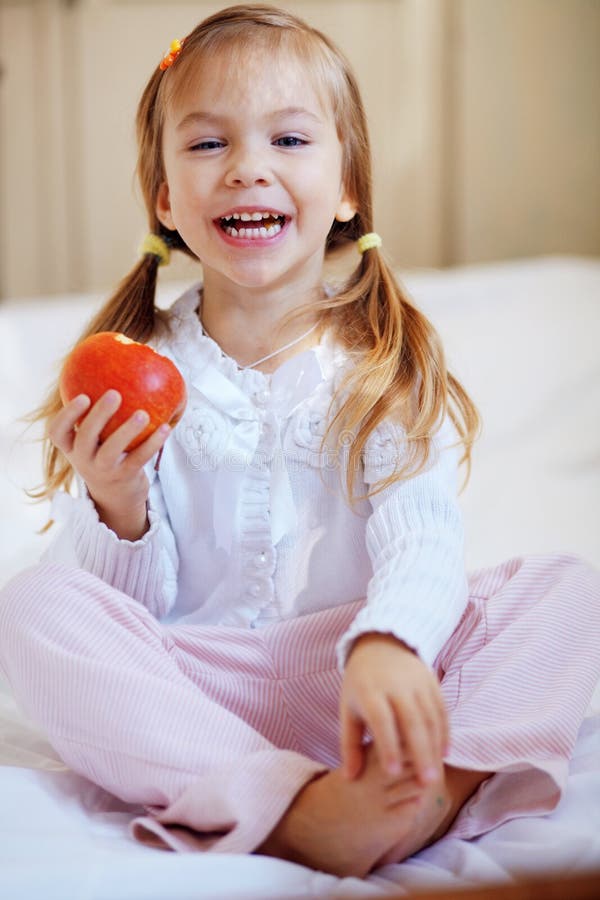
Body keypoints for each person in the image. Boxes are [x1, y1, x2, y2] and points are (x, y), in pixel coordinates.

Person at [0, 3, 599, 879]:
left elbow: (422, 535)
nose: (248, 168)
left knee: (564, 590)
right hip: (198, 693)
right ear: (165, 196)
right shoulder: (141, 365)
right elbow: (131, 613)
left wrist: (392, 640)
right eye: (209, 144)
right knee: (36, 604)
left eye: (288, 140)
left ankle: (430, 789)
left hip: (361, 678)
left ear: (348, 186)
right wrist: (117, 504)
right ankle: (294, 810)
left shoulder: (381, 362)